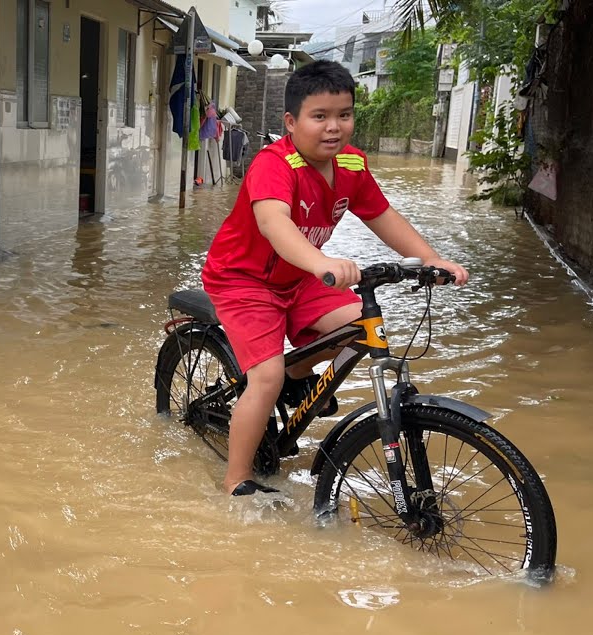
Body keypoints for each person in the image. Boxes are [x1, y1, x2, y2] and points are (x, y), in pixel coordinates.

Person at [200, 60, 469, 497]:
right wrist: (321, 262)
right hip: (244, 280)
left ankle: (295, 375)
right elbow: (274, 224)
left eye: (344, 115)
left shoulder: (352, 164)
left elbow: (383, 216)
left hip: (301, 276)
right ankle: (236, 481)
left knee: (357, 326)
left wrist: (433, 261)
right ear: (291, 122)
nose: (334, 127)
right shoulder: (274, 164)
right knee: (264, 378)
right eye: (319, 116)